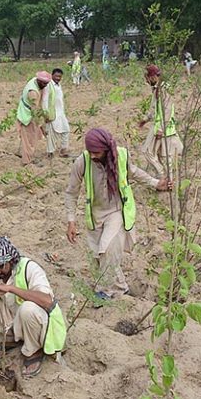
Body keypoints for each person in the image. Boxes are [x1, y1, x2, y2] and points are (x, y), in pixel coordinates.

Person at [65, 128, 170, 301]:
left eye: (97, 152)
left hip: (116, 211)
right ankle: (122, 288)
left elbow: (135, 173)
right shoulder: (82, 162)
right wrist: (71, 220)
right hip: (95, 215)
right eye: (90, 152)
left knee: (107, 248)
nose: (93, 156)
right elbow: (71, 192)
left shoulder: (121, 156)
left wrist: (156, 183)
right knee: (100, 257)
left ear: (106, 149)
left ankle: (102, 292)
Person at [0, 236, 66, 378]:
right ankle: (7, 344)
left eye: (1, 266)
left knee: (28, 309)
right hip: (13, 325)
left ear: (10, 260)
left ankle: (33, 351)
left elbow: (47, 301)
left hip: (37, 324)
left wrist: (11, 289)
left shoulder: (29, 268)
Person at [139, 65, 183, 180]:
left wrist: (161, 128)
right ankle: (165, 178)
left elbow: (167, 110)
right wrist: (145, 119)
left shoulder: (164, 90)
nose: (146, 81)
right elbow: (154, 109)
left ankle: (164, 177)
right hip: (159, 126)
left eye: (147, 77)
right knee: (159, 154)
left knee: (153, 153)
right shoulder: (156, 90)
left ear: (153, 77)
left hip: (164, 128)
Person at [16, 71, 50, 166]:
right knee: (29, 139)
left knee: (27, 137)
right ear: (38, 80)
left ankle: (21, 152)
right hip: (27, 115)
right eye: (43, 83)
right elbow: (35, 112)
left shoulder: (35, 82)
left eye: (46, 83)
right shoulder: (33, 92)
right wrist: (41, 126)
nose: (44, 85)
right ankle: (27, 161)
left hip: (29, 111)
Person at [42, 68, 70, 159]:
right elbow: (45, 100)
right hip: (52, 113)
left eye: (60, 76)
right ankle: (50, 152)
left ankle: (63, 149)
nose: (58, 78)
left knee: (66, 130)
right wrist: (46, 113)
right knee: (52, 133)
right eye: (56, 76)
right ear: (52, 75)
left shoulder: (58, 85)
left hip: (61, 113)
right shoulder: (48, 86)